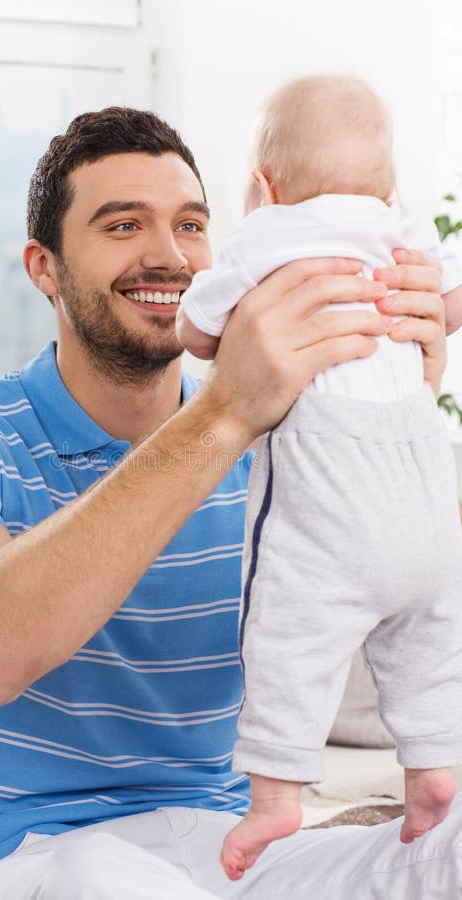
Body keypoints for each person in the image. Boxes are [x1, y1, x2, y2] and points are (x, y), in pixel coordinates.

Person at [0, 105, 458, 900]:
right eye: (123, 225)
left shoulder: (286, 435)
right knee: (101, 880)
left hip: (236, 851)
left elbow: (404, 605)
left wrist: (395, 413)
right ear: (44, 268)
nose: (170, 256)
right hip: (38, 857)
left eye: (190, 225)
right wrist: (221, 415)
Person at [177, 76, 462, 882]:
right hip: (423, 481)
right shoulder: (400, 229)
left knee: (287, 637)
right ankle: (434, 770)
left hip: (334, 492)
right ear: (387, 181)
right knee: (430, 644)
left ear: (262, 185)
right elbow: (447, 305)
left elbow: (197, 333)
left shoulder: (266, 235)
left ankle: (276, 797)